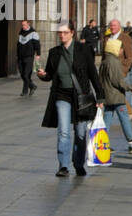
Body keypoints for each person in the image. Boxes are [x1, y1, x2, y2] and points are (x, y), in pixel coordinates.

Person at [36, 21, 104, 177]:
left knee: (80, 133)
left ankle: (78, 163)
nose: (62, 35)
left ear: (72, 32)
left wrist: (100, 96)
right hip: (62, 95)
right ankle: (63, 165)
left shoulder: (84, 50)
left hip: (82, 96)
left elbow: (93, 73)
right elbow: (49, 75)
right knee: (64, 131)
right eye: (59, 33)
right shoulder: (55, 52)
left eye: (65, 32)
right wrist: (43, 76)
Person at [98, 38, 132, 153]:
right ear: (114, 49)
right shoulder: (113, 62)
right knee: (125, 119)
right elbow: (118, 81)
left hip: (107, 96)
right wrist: (131, 88)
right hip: (117, 97)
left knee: (107, 120)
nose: (121, 51)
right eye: (120, 49)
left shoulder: (105, 61)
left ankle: (103, 144)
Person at [16, 20, 40, 96]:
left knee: (26, 75)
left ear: (28, 24)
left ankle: (25, 91)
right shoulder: (20, 33)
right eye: (22, 25)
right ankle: (32, 86)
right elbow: (18, 45)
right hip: (20, 57)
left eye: (25, 25)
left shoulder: (34, 33)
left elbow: (37, 44)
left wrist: (38, 54)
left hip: (29, 56)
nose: (23, 27)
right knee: (22, 74)